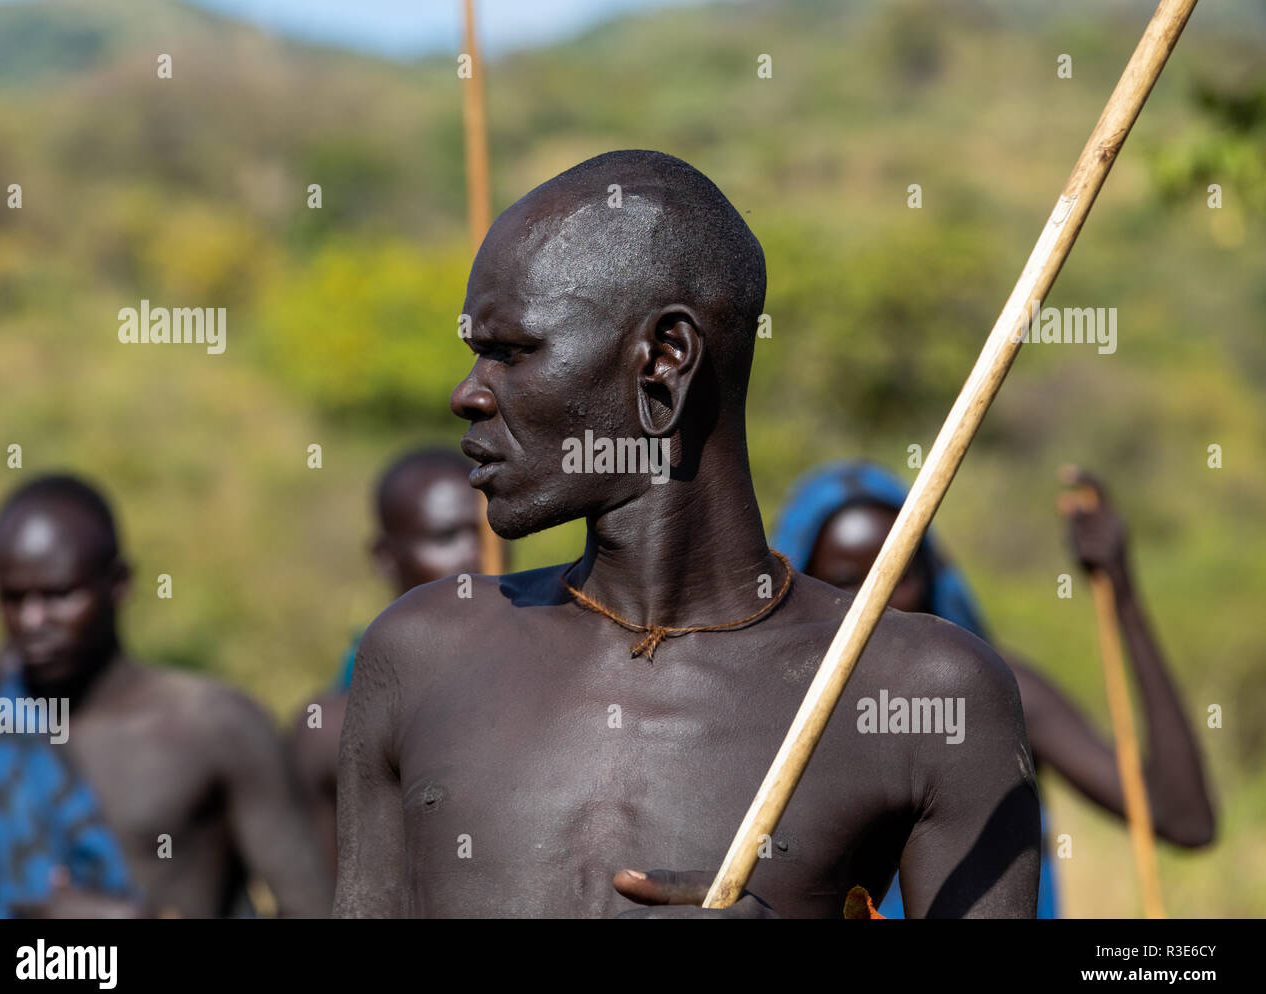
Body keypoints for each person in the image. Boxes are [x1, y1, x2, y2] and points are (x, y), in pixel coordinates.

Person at [334, 150, 1041, 918]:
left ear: (664, 360)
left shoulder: (917, 688)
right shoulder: (420, 653)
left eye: (510, 351)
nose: (467, 394)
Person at [771, 460, 1216, 917]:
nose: (876, 599)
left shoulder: (991, 695)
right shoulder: (770, 717)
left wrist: (1122, 594)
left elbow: (1186, 821)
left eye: (899, 572)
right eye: (845, 580)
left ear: (929, 576)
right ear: (801, 585)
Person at [0, 474, 330, 917]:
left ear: (119, 583)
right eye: (13, 599)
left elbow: (312, 908)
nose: (32, 621)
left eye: (59, 595)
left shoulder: (216, 726)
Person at [289, 448, 489, 880]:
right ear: (385, 555)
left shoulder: (550, 685)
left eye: (486, 534)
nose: (473, 556)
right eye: (446, 537)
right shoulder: (330, 728)